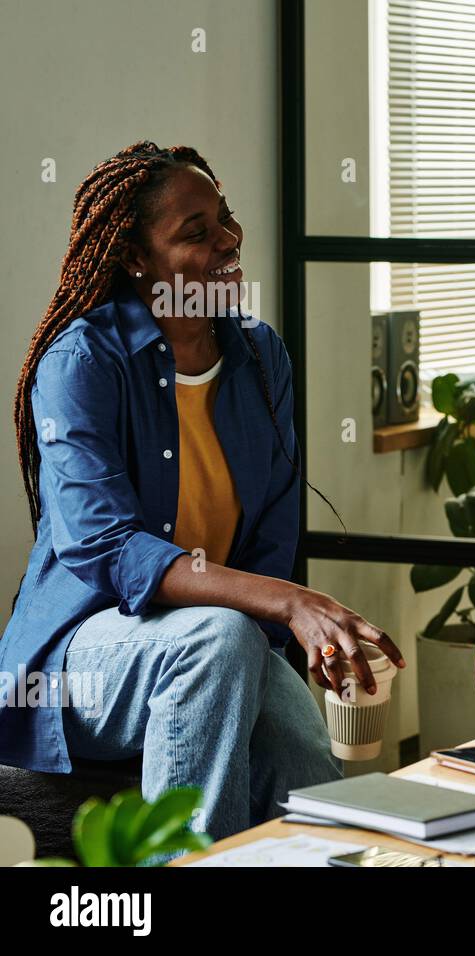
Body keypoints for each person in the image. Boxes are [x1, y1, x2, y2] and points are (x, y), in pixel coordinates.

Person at [0, 142, 405, 842]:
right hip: (84, 659)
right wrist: (288, 604)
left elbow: (274, 530)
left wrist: (295, 628)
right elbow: (104, 547)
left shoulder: (258, 353)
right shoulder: (82, 362)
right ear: (136, 257)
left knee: (304, 761)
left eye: (226, 217)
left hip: (224, 643)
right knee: (218, 639)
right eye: (196, 231)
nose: (228, 240)